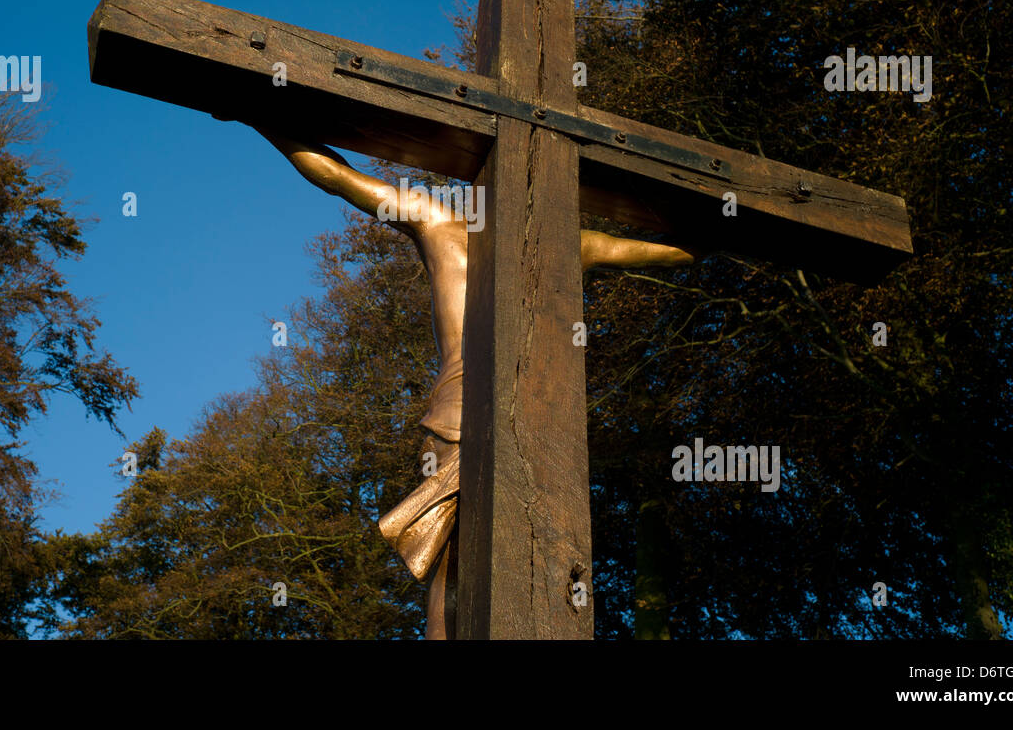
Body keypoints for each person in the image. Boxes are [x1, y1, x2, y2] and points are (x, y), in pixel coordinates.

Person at [252, 126, 702, 638]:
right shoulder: (562, 247)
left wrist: (260, 117)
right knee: (488, 557)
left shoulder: (441, 220)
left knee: (472, 565)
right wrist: (732, 227)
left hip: (488, 417)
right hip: (511, 420)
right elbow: (675, 252)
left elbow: (334, 175)